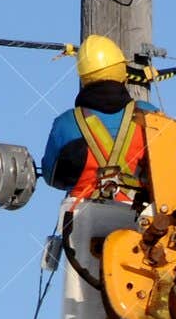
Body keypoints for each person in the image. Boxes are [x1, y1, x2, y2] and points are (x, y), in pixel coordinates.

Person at [40, 35, 157, 200]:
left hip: (84, 219)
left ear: (84, 77)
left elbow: (52, 177)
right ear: (122, 70)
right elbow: (170, 164)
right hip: (140, 220)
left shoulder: (65, 124)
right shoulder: (150, 115)